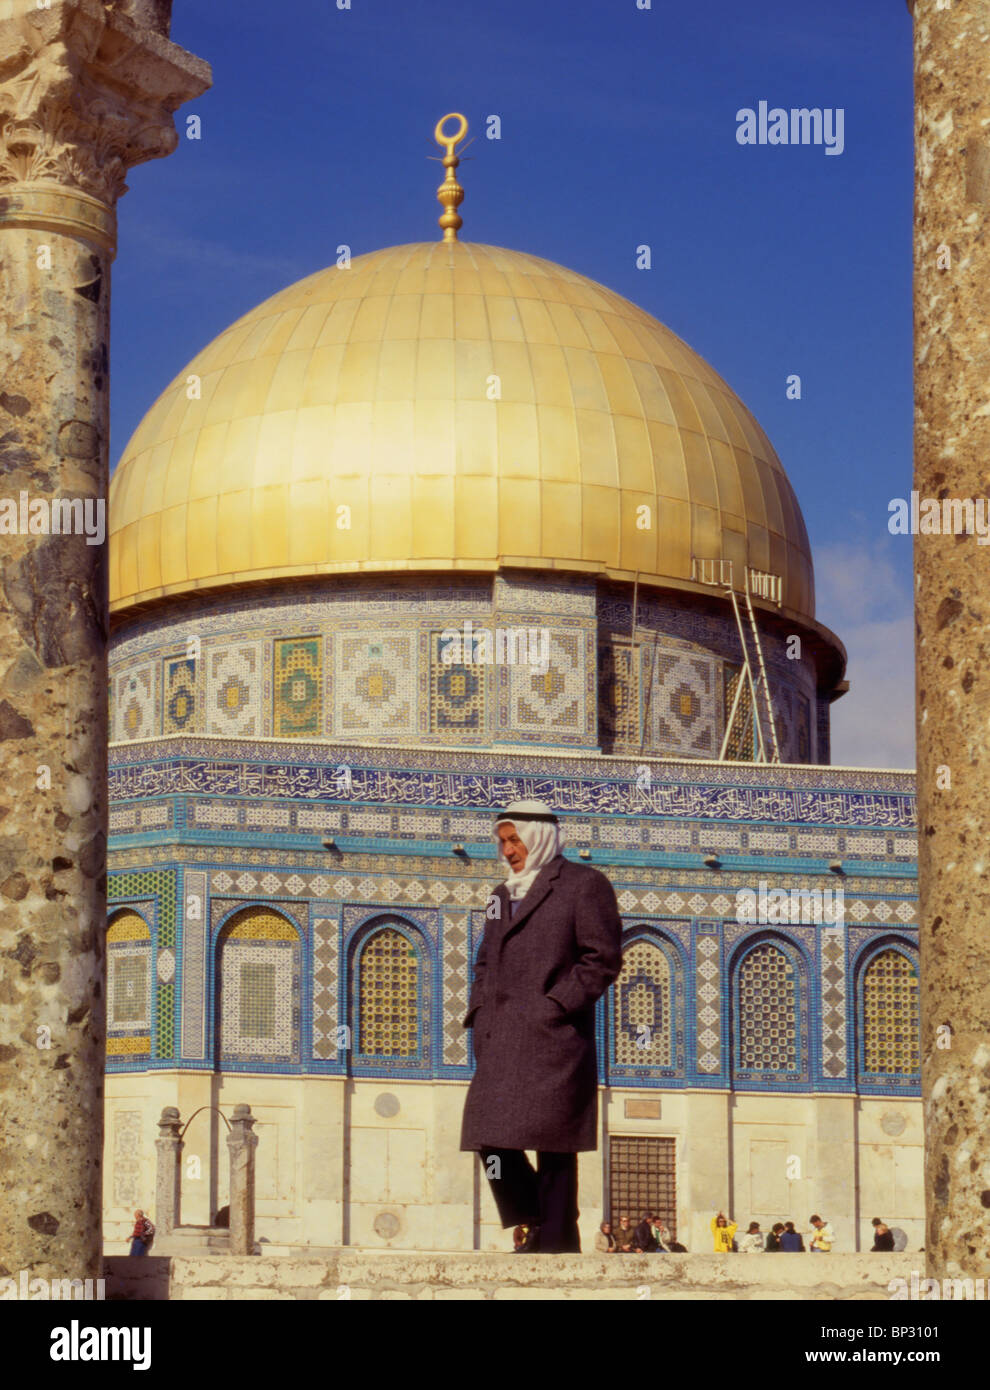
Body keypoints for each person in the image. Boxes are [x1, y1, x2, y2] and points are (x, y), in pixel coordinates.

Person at [460, 800, 623, 1254]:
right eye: (503, 841)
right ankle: (532, 1216)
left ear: (539, 837)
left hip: (553, 1034)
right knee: (486, 1137)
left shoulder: (583, 886)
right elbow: (486, 957)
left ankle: (555, 1236)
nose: (508, 850)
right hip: (499, 1034)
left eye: (515, 840)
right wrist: (480, 1010)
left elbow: (602, 958)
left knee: (554, 1143)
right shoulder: (499, 896)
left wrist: (556, 1005)